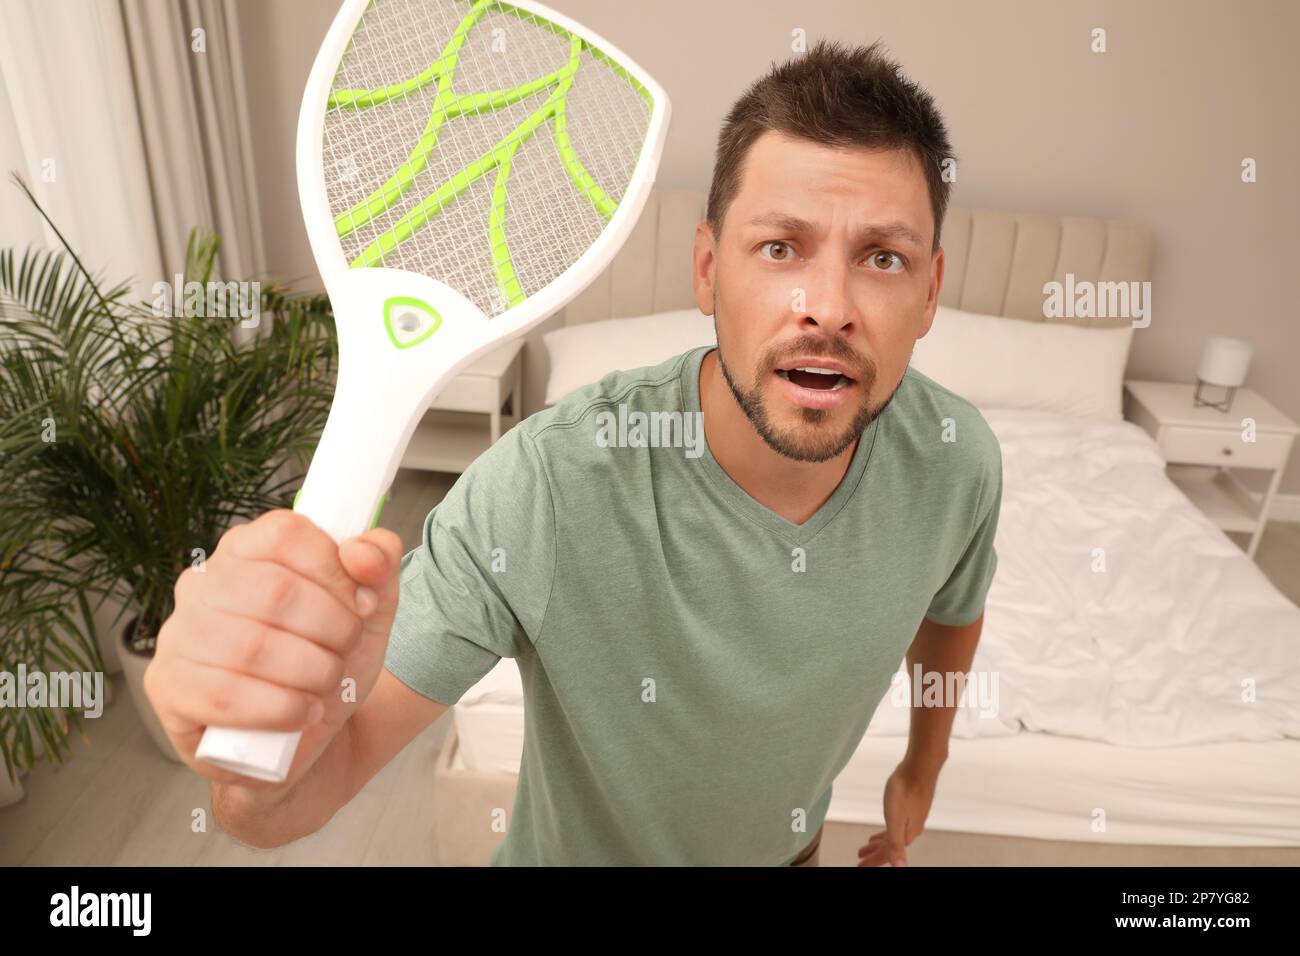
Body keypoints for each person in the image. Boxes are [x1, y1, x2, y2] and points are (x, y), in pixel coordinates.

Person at [146, 38, 1002, 867]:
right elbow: (286, 804)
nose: (829, 306)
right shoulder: (548, 487)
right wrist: (253, 740)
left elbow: (951, 609)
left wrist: (923, 768)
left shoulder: (957, 466)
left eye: (882, 258)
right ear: (707, 270)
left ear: (930, 293)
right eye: (780, 248)